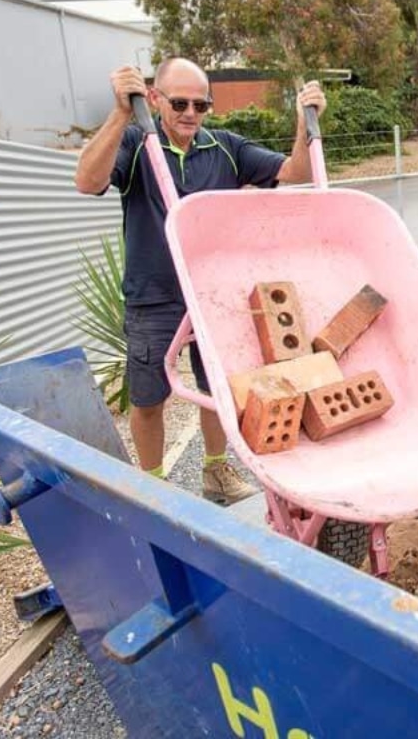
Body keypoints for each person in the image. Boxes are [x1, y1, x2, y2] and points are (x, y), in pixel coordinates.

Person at [74, 58, 327, 505]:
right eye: (179, 103)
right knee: (149, 398)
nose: (191, 113)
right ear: (155, 99)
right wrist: (120, 113)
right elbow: (86, 181)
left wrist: (302, 123)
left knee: (218, 389)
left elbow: (296, 172)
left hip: (211, 295)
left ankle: (216, 472)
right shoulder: (136, 143)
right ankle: (153, 487)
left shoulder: (224, 147)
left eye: (201, 104)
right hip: (154, 298)